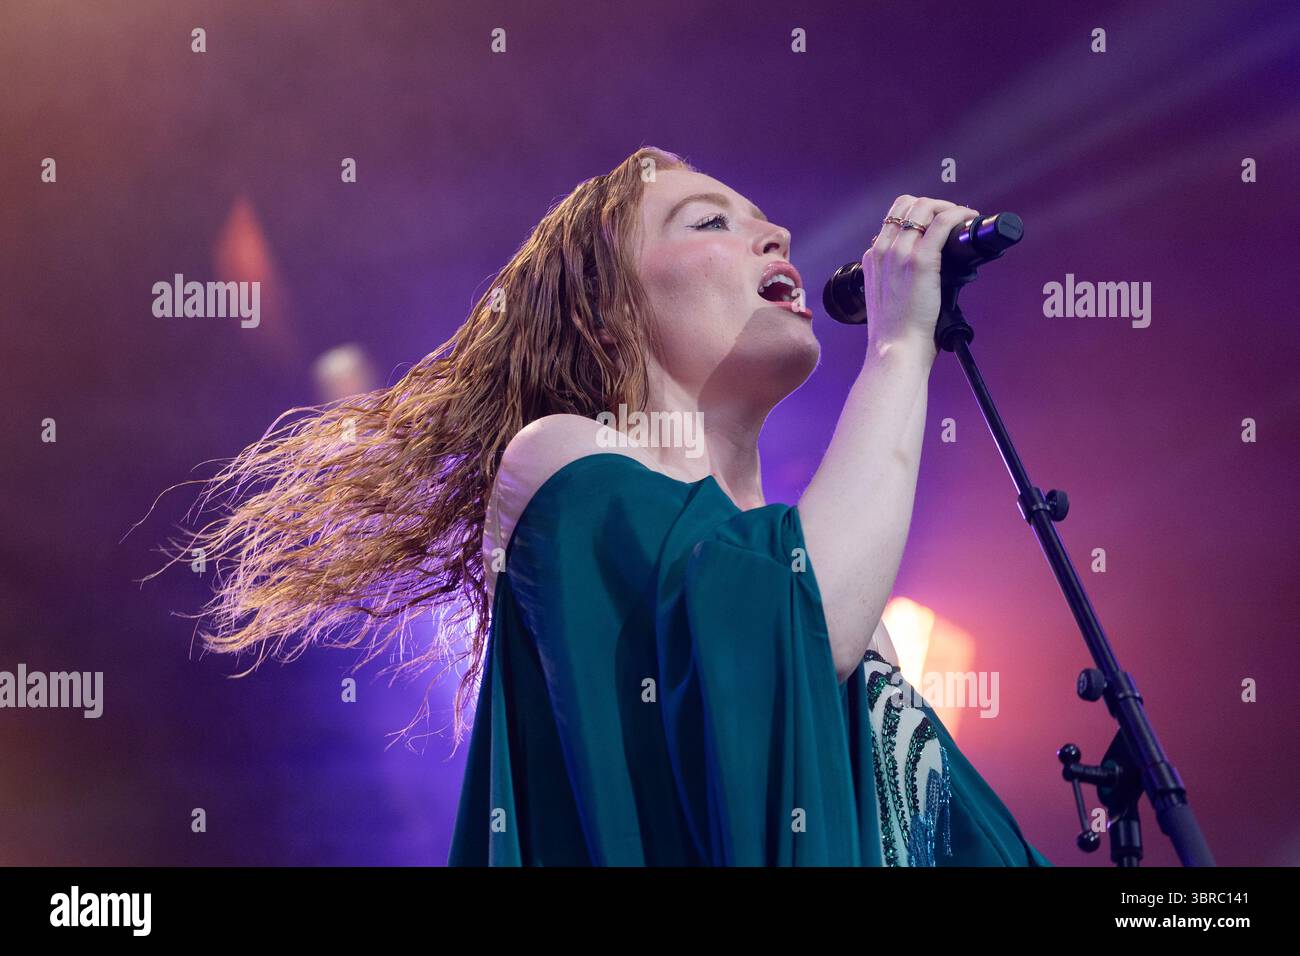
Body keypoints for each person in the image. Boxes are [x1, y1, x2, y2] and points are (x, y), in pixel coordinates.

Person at [169, 145, 1050, 867]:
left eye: (759, 217)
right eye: (711, 221)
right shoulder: (558, 460)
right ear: (605, 316)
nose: (774, 231)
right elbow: (785, 630)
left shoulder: (865, 625)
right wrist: (899, 348)